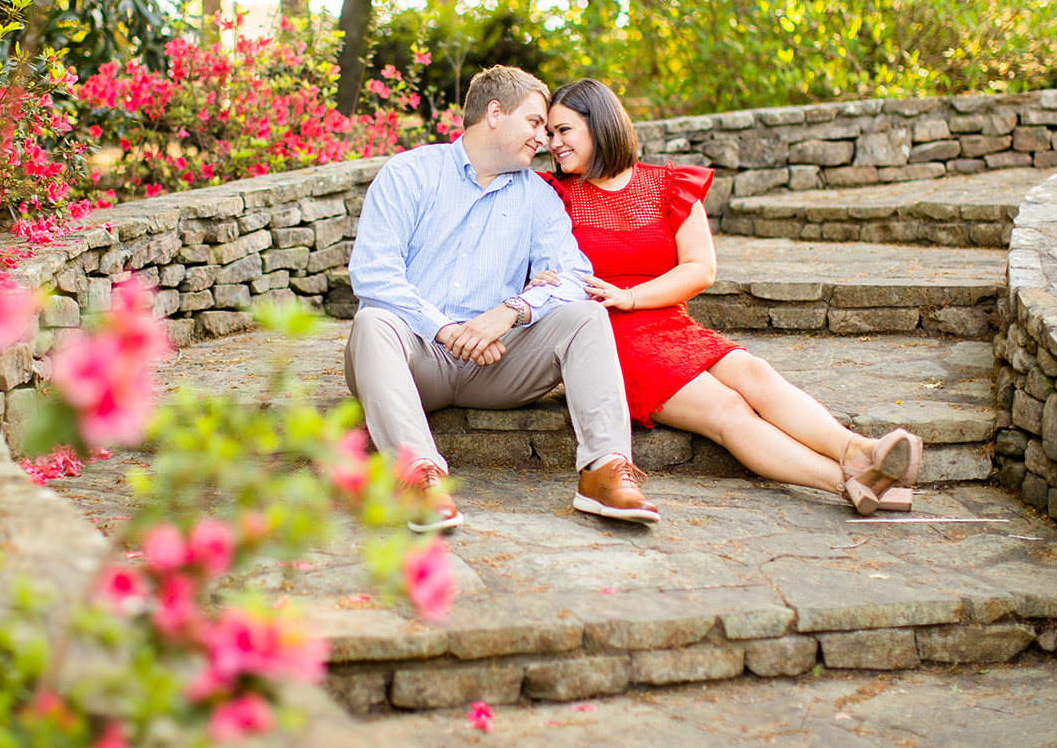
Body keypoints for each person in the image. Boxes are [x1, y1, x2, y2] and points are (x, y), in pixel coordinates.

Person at [533, 78, 921, 514]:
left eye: (563, 130)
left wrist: (634, 296)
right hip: (608, 339)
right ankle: (847, 482)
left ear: (600, 123)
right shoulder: (553, 195)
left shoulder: (668, 183)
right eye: (549, 133)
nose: (553, 143)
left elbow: (701, 268)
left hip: (670, 322)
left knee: (755, 372)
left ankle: (858, 450)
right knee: (728, 408)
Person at [344, 66, 660, 533]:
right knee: (372, 321)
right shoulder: (409, 174)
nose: (545, 140)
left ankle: (604, 471)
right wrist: (449, 330)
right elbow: (374, 275)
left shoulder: (537, 197)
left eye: (549, 129)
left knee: (586, 315)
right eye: (535, 123)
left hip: (494, 363)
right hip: (414, 357)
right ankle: (418, 477)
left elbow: (576, 275)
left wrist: (513, 310)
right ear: (495, 113)